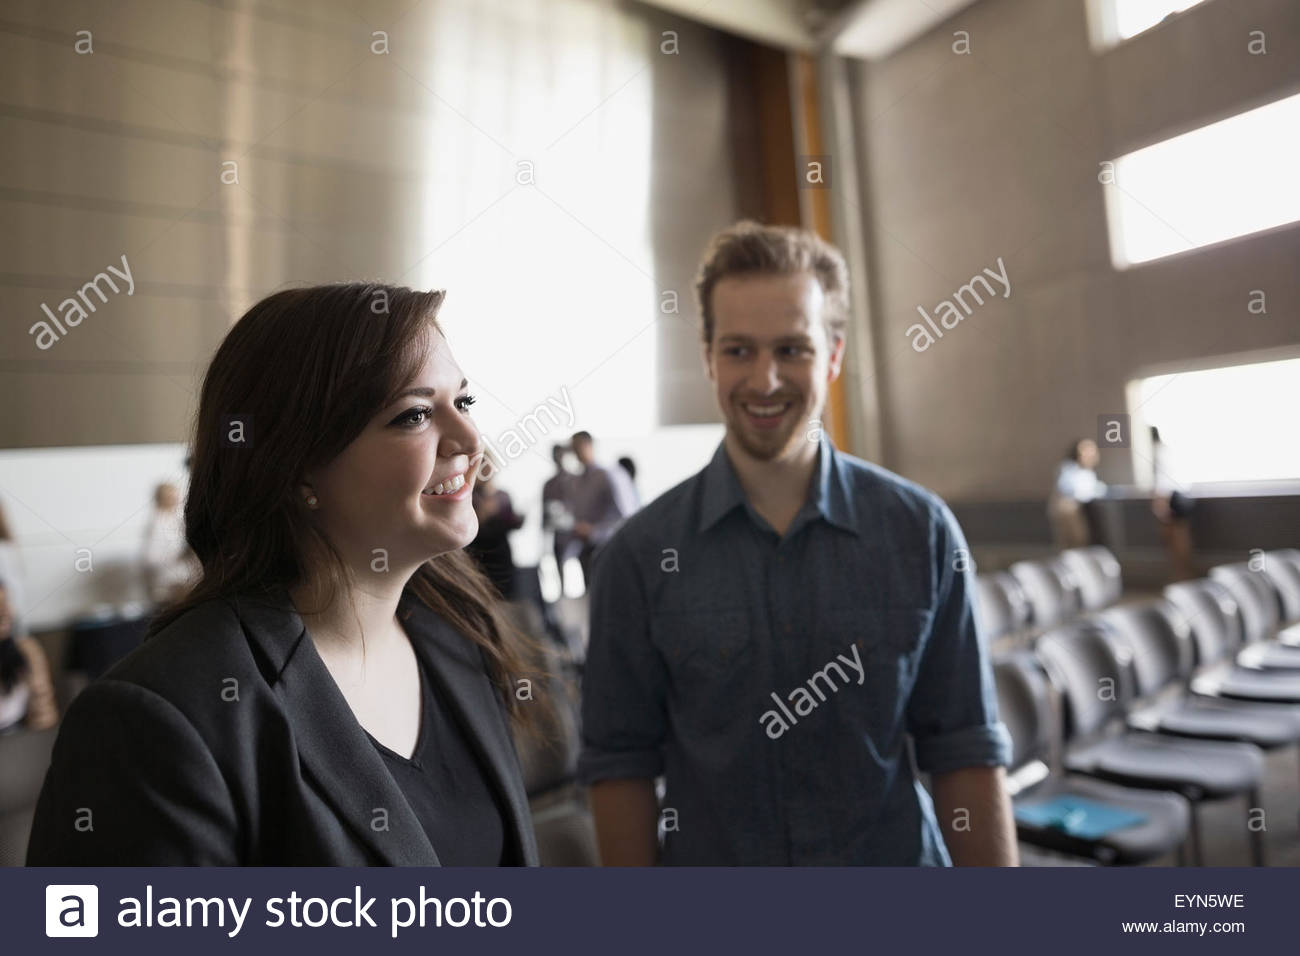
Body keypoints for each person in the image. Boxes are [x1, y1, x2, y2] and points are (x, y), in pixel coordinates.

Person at [27, 283, 540, 866]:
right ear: (295, 468)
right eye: (415, 414)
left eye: (464, 403)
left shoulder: (460, 638)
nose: (472, 441)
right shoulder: (160, 718)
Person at [579, 221, 1017, 866]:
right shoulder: (638, 559)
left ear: (833, 355)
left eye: (792, 349)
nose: (765, 380)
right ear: (707, 357)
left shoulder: (920, 532)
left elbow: (965, 750)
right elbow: (621, 770)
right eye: (738, 351)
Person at [568, 431, 638, 588]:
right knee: (592, 599)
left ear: (589, 445)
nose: (574, 452)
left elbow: (628, 516)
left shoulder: (610, 475)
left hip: (608, 548)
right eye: (572, 448)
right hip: (586, 550)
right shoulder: (577, 481)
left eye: (577, 446)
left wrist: (594, 531)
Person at [0, 580, 59, 733]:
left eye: (6, 601)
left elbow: (45, 714)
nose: (5, 611)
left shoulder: (26, 648)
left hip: (16, 738)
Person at [141, 481, 199, 605]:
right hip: (168, 585)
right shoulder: (156, 523)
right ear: (161, 499)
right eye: (170, 497)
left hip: (184, 579)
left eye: (176, 496)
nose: (175, 500)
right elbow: (150, 558)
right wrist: (180, 555)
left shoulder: (176, 519)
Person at [467, 474, 525, 599]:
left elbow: (511, 522)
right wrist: (484, 513)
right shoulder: (469, 497)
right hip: (479, 552)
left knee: (508, 593)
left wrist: (519, 519)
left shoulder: (503, 495)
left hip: (501, 552)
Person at [1150, 426, 1195, 581]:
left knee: (1175, 539)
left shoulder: (1158, 452)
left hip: (1172, 498)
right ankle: (1183, 573)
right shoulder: (1169, 450)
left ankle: (1180, 574)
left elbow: (1162, 481)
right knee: (1182, 536)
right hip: (1183, 495)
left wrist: (1161, 504)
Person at [1047, 438, 1107, 549]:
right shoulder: (1068, 468)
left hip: (1080, 510)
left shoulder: (1087, 472)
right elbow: (1070, 489)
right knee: (1072, 541)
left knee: (1082, 540)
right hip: (1067, 509)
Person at [541, 443, 577, 591]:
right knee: (560, 572)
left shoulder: (575, 481)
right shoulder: (549, 485)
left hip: (575, 533)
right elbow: (545, 513)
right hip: (558, 534)